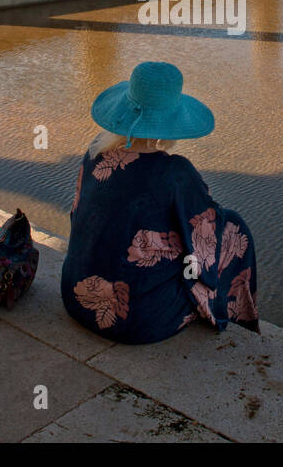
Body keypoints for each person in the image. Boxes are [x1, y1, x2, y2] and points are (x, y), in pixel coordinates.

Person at [61, 61, 259, 344]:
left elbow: (79, 216)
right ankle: (240, 321)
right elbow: (205, 233)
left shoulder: (96, 154)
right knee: (235, 229)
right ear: (172, 121)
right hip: (137, 320)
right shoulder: (174, 172)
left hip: (77, 297)